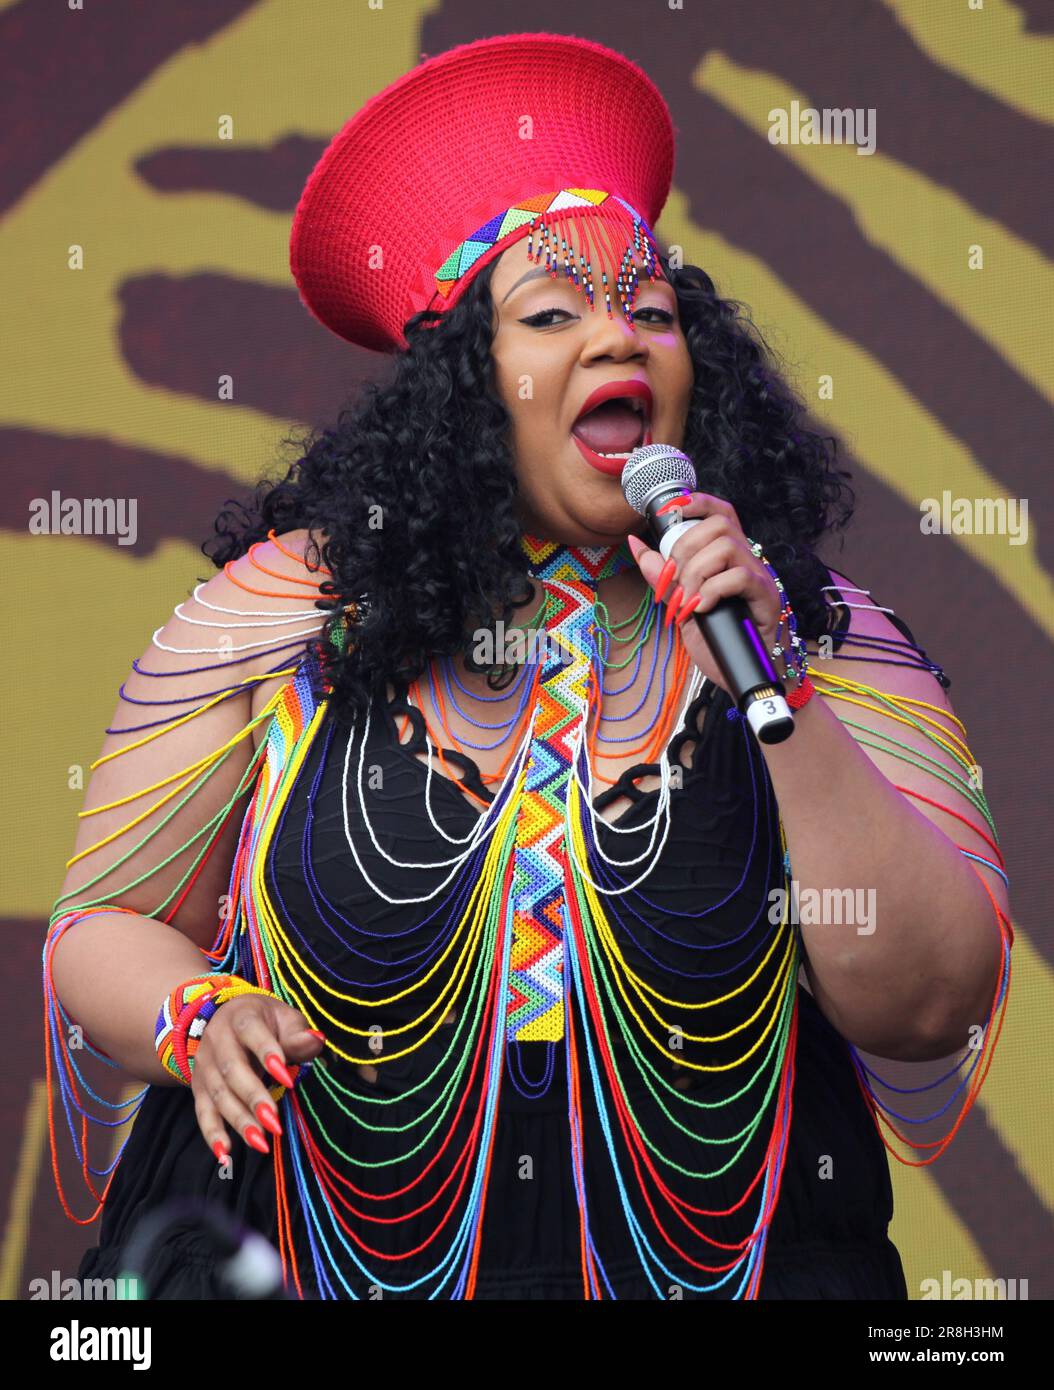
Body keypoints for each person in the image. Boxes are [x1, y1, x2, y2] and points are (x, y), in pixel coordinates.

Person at [45, 32, 1012, 1301]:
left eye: (651, 311)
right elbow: (100, 924)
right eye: (554, 314)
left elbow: (931, 1003)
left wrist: (779, 695)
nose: (618, 336)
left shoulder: (814, 631)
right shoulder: (285, 612)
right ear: (464, 391)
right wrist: (195, 1018)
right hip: (286, 1258)